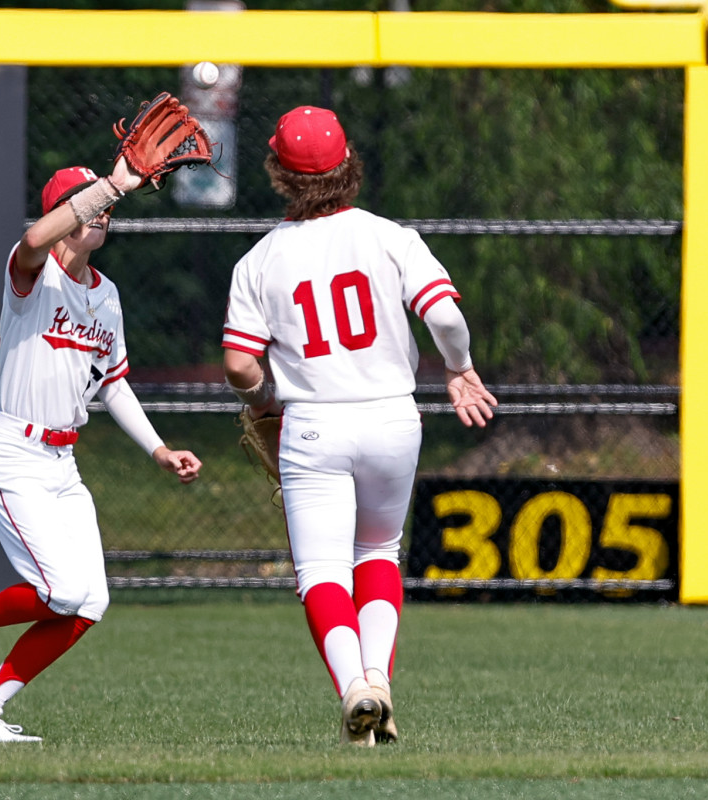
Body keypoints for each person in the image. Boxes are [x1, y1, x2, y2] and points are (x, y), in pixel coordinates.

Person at [221, 106, 497, 747]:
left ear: (278, 175)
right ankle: (379, 681)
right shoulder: (389, 236)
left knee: (321, 571)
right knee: (377, 553)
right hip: (392, 417)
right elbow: (446, 316)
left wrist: (263, 398)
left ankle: (355, 690)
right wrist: (459, 369)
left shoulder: (260, 259)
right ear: (349, 166)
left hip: (313, 424)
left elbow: (239, 362)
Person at [0, 156, 203, 743]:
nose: (103, 211)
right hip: (12, 451)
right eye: (87, 203)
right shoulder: (32, 276)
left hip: (62, 464)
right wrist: (112, 185)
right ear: (65, 212)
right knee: (59, 591)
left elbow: (114, 381)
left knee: (89, 601)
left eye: (107, 206)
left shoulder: (108, 295)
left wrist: (157, 449)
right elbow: (31, 238)